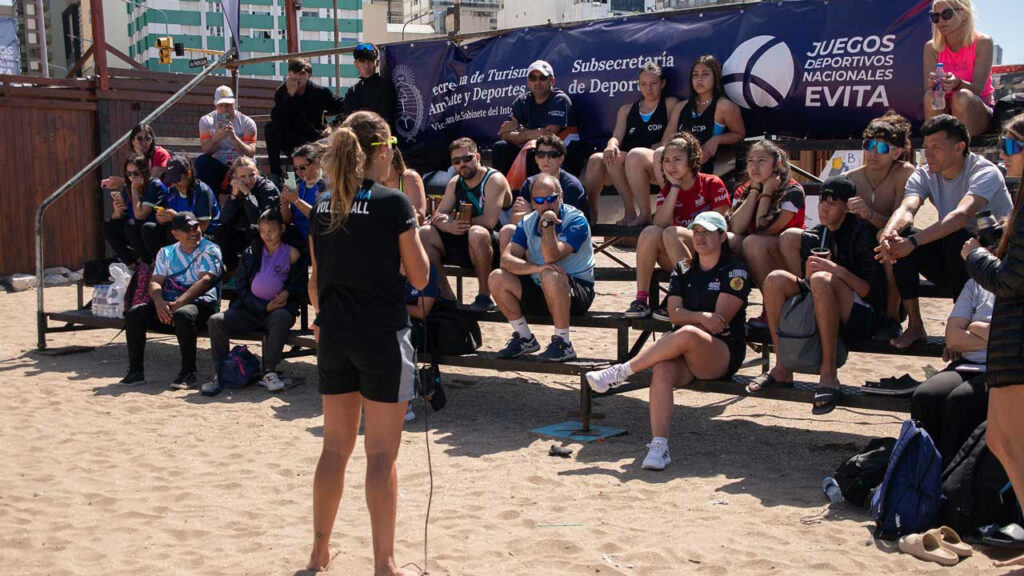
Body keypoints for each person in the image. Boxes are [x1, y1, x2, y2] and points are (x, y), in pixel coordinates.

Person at [306, 110, 429, 576]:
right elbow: (420, 276)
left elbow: (315, 285)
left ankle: (319, 553)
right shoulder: (394, 203)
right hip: (381, 335)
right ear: (380, 151)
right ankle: (385, 564)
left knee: (334, 450)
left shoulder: (321, 205)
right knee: (381, 455)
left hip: (334, 334)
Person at [584, 211, 749, 470]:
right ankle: (659, 446)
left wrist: (694, 318)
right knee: (662, 369)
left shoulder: (734, 270)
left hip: (721, 353)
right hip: (685, 350)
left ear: (721, 236)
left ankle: (623, 370)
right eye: (696, 231)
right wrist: (701, 316)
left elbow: (719, 321)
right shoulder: (684, 268)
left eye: (707, 232)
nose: (700, 237)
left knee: (687, 333)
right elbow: (674, 313)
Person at [749, 176, 886, 415]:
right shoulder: (819, 234)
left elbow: (872, 292)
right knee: (775, 279)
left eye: (832, 203)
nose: (824, 207)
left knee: (823, 279)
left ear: (847, 206)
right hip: (827, 302)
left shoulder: (862, 233)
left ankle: (829, 373)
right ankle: (782, 366)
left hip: (863, 314)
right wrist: (807, 275)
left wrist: (836, 271)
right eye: (822, 200)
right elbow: (809, 283)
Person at [876, 114, 1012, 348]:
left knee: (955, 238)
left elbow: (961, 215)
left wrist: (915, 243)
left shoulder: (984, 171)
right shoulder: (925, 173)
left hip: (994, 261)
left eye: (936, 147)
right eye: (926, 147)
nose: (928, 154)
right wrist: (889, 235)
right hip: (953, 261)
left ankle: (961, 331)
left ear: (959, 147)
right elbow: (908, 208)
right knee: (901, 241)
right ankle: (915, 325)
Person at [961, 175, 1024, 569]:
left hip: (1016, 342)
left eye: (1013, 143)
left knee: (1012, 445)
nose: (1006, 152)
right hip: (1011, 343)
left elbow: (1009, 279)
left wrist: (974, 258)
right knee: (1004, 443)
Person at [623, 55, 745, 225]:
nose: (699, 79)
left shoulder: (723, 106)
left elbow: (740, 134)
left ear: (715, 77)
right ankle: (645, 214)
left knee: (661, 154)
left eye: (705, 74)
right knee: (637, 155)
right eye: (695, 75)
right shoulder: (682, 107)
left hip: (698, 167)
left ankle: (674, 206)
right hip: (673, 166)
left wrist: (717, 139)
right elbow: (667, 141)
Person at [488, 173, 595, 362]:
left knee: (551, 275)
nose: (546, 204)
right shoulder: (527, 222)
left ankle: (563, 343)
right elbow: (506, 260)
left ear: (561, 197)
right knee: (497, 276)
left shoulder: (576, 220)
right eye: (539, 200)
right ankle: (524, 338)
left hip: (576, 290)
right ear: (533, 202)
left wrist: (547, 222)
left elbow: (552, 256)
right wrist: (537, 269)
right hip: (541, 284)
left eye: (551, 198)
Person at [624, 133, 731, 319]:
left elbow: (720, 225)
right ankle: (641, 299)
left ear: (691, 160)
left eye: (677, 159)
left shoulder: (711, 183)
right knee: (651, 231)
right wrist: (674, 188)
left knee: (673, 233)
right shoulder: (667, 189)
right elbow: (659, 223)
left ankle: (689, 297)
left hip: (709, 254)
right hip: (678, 256)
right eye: (666, 161)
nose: (671, 165)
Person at [204, 209, 304, 395]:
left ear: (282, 229)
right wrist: (262, 306)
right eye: (263, 231)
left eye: (271, 231)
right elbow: (240, 289)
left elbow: (300, 284)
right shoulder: (251, 252)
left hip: (278, 311)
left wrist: (287, 292)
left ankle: (269, 372)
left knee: (281, 317)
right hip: (249, 309)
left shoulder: (292, 253)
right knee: (216, 321)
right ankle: (221, 371)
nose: (267, 235)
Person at [119, 212, 222, 389]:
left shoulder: (210, 249)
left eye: (195, 226)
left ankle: (188, 373)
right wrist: (159, 302)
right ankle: (135, 371)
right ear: (175, 233)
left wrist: (179, 303)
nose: (193, 232)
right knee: (136, 313)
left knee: (183, 314)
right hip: (169, 305)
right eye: (187, 229)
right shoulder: (166, 253)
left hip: (201, 306)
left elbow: (205, 281)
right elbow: (155, 281)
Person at [418, 137, 513, 311]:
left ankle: (484, 296)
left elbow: (489, 221)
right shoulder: (455, 182)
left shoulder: (494, 179)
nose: (462, 164)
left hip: (497, 244)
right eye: (457, 161)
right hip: (466, 239)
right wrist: (448, 225)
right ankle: (447, 296)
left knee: (477, 232)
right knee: (424, 233)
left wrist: (453, 223)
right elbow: (439, 215)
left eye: (467, 159)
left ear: (477, 157)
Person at [843, 112, 917, 332]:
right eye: (869, 145)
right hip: (861, 250)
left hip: (891, 245)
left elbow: (900, 220)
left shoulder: (904, 172)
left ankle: (892, 317)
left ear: (897, 152)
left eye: (882, 148)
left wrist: (869, 214)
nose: (873, 153)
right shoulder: (851, 178)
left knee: (887, 236)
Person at [583, 61, 677, 224]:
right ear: (638, 86)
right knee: (598, 159)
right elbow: (616, 136)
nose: (649, 89)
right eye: (644, 84)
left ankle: (645, 214)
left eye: (654, 83)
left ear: (662, 84)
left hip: (655, 164)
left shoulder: (670, 104)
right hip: (628, 163)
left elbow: (665, 141)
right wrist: (611, 145)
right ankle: (594, 216)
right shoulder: (626, 110)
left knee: (634, 155)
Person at [911, 278, 992, 463]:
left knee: (962, 400)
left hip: (1008, 368)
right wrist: (1003, 338)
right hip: (968, 364)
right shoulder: (976, 283)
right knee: (926, 395)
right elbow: (953, 338)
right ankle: (923, 472)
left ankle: (950, 475)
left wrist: (974, 327)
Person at [728, 140, 806, 298]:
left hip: (787, 251)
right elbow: (736, 227)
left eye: (761, 161)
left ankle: (773, 301)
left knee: (753, 242)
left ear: (776, 164)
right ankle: (734, 300)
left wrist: (767, 191)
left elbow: (763, 228)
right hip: (757, 249)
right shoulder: (744, 189)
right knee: (729, 240)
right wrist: (755, 190)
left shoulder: (793, 190)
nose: (754, 167)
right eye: (750, 161)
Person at [492, 60, 579, 177]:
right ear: (528, 82)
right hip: (534, 151)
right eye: (533, 78)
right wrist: (533, 133)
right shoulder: (522, 101)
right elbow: (505, 134)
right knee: (500, 147)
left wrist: (519, 130)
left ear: (552, 81)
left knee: (536, 151)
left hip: (562, 155)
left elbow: (549, 135)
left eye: (542, 78)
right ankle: (505, 192)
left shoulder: (560, 99)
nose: (537, 82)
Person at [924, 0, 994, 137]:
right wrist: (933, 84)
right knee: (930, 97)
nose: (940, 21)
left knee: (961, 98)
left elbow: (978, 90)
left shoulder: (983, 42)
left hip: (977, 110)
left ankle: (965, 154)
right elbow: (927, 91)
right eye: (935, 17)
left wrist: (958, 83)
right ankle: (936, 150)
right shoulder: (931, 47)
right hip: (945, 108)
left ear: (964, 14)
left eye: (947, 14)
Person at [266, 58, 343, 181]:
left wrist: (333, 126)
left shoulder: (320, 92)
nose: (298, 77)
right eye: (294, 73)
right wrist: (289, 96)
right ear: (289, 74)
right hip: (290, 137)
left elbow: (343, 106)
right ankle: (276, 174)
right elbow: (277, 118)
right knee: (270, 128)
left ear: (309, 75)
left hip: (312, 137)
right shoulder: (282, 92)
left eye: (302, 74)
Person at [504, 134, 589, 245]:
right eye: (541, 155)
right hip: (537, 232)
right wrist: (538, 213)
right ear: (536, 158)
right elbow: (515, 219)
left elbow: (559, 220)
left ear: (561, 159)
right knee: (507, 231)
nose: (546, 159)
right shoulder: (529, 183)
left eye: (552, 155)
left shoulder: (571, 185)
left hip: (568, 235)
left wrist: (530, 211)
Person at [142, 155, 220, 265]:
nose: (174, 184)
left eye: (177, 180)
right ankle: (159, 265)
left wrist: (177, 217)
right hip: (181, 232)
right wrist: (162, 218)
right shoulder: (172, 192)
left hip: (206, 235)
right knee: (149, 228)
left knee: (177, 231)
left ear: (188, 174)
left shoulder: (202, 192)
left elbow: (203, 227)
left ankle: (179, 266)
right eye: (171, 180)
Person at [216, 156, 281, 273]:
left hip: (264, 232)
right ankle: (230, 272)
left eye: (252, 175)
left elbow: (260, 219)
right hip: (244, 231)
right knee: (222, 231)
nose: (248, 180)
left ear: (257, 172)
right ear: (236, 177)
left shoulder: (267, 188)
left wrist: (247, 194)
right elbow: (224, 219)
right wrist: (234, 196)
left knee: (253, 229)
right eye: (243, 177)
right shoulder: (237, 188)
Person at [102, 156, 166, 266]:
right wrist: (117, 212)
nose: (132, 177)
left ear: (144, 172)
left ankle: (148, 263)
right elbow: (120, 216)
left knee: (131, 225)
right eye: (128, 174)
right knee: (108, 225)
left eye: (136, 173)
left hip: (155, 230)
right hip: (137, 232)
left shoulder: (154, 185)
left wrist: (134, 190)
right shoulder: (128, 187)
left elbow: (140, 215)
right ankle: (131, 264)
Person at [196, 85, 258, 197]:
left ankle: (247, 201)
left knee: (250, 164)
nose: (225, 109)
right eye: (221, 105)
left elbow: (251, 152)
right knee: (202, 161)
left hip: (240, 166)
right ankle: (211, 203)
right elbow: (206, 150)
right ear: (215, 105)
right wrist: (217, 138)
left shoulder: (247, 122)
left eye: (228, 105)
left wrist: (234, 138)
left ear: (235, 103)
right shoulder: (206, 121)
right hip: (219, 166)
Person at [280, 143, 325, 247]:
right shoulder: (299, 185)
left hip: (317, 238)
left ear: (316, 163)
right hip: (298, 237)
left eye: (302, 167)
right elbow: (287, 220)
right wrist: (285, 204)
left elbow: (319, 217)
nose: (298, 172)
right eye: (295, 168)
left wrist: (296, 201)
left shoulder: (325, 186)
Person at [342, 43, 396, 129]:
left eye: (370, 61)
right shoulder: (352, 91)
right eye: (362, 62)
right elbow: (348, 119)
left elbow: (385, 119)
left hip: (380, 138)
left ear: (377, 63)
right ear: (356, 64)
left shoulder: (385, 86)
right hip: (357, 138)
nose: (366, 66)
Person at [380, 147, 427, 224]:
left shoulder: (409, 177)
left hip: (414, 229)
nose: (379, 169)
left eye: (384, 164)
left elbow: (420, 216)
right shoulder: (374, 182)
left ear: (396, 164)